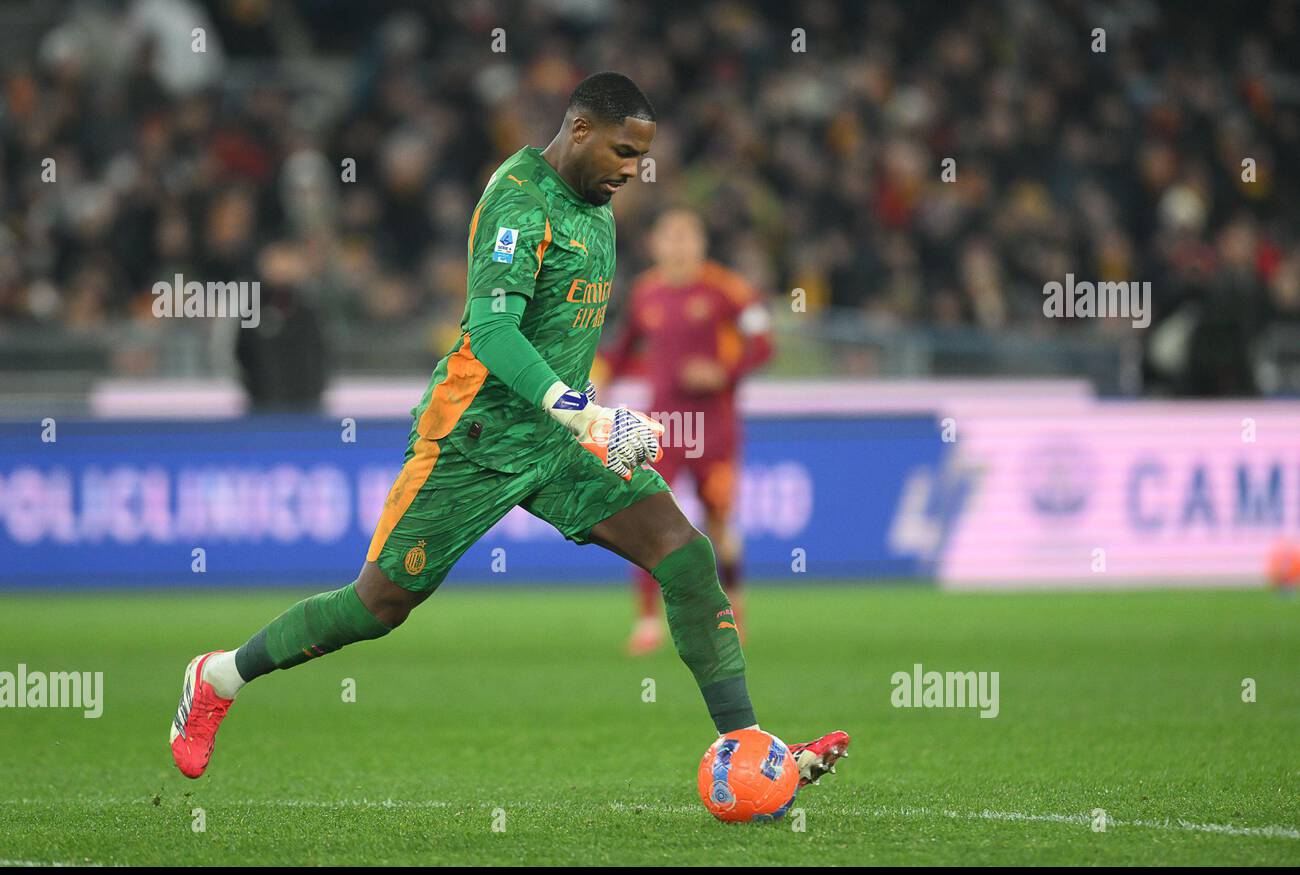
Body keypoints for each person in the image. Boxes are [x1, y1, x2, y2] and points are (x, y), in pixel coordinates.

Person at [169, 72, 848, 795]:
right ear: (580, 130)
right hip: (473, 437)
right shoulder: (519, 202)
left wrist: (588, 414)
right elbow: (492, 331)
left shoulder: (599, 207)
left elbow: (567, 332)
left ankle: (748, 747)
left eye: (641, 157)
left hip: (557, 444)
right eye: (623, 151)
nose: (631, 170)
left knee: (684, 555)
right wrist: (584, 411)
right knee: (376, 607)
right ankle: (217, 677)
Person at [599, 207, 772, 655]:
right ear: (655, 245)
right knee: (647, 516)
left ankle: (734, 608)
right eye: (669, 238)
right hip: (662, 428)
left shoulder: (728, 290)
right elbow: (622, 350)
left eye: (685, 237)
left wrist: (723, 372)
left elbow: (764, 343)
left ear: (701, 244)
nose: (677, 247)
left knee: (717, 521)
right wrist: (598, 385)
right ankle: (647, 622)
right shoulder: (645, 293)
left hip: (713, 429)